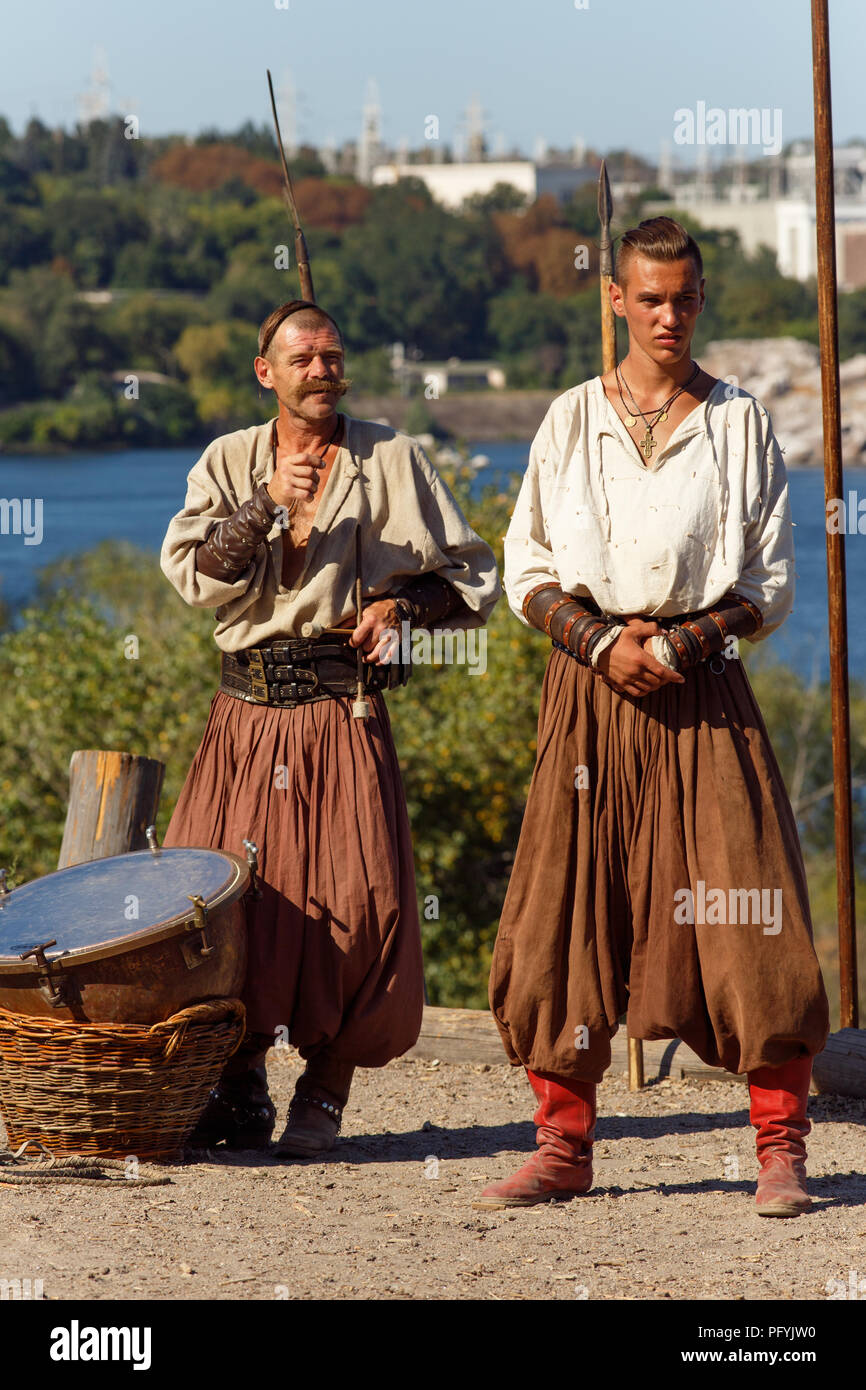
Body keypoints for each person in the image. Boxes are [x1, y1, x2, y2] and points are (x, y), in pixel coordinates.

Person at [478, 218, 829, 1217]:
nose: (666, 315)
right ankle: (561, 1146)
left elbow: (766, 582)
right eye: (649, 297)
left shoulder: (738, 422)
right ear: (616, 301)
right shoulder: (567, 418)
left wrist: (678, 643)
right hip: (588, 693)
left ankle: (776, 1150)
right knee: (563, 909)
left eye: (682, 297)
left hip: (701, 686)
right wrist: (598, 643)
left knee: (746, 907)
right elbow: (527, 569)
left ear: (698, 299)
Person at [160, 299, 499, 1156]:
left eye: (332, 357)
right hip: (242, 721)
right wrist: (263, 506)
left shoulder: (392, 456)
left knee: (356, 904)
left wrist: (398, 607)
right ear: (264, 371)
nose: (322, 371)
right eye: (303, 358)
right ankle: (238, 1086)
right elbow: (198, 579)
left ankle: (326, 1089)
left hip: (342, 717)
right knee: (219, 907)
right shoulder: (228, 459)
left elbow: (472, 585)